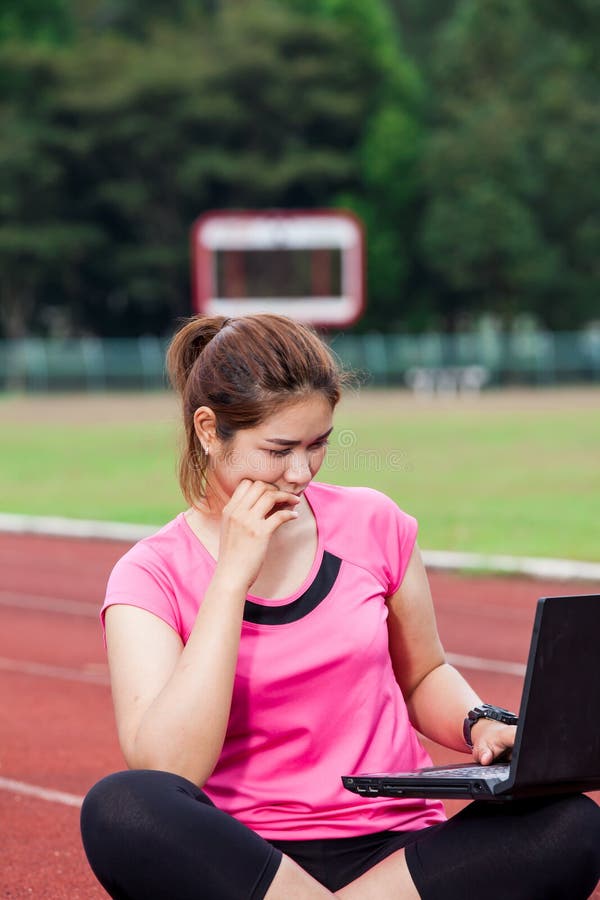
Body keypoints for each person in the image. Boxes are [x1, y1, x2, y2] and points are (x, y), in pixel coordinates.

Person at [80, 314, 600, 900]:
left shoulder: (374, 523)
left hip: (398, 854)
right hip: (246, 863)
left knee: (572, 824)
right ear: (208, 430)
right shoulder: (151, 573)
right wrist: (230, 579)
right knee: (121, 808)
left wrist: (483, 722)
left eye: (318, 444)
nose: (300, 473)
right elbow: (170, 769)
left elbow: (424, 674)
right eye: (278, 450)